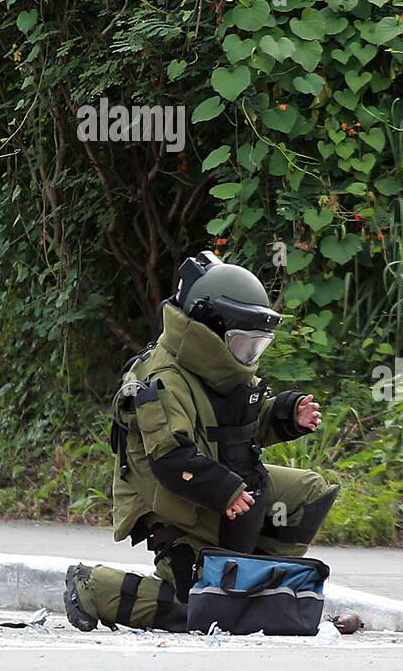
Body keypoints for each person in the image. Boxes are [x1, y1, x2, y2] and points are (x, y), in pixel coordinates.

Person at [64, 249, 339, 632]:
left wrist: (285, 416)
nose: (248, 355)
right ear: (209, 329)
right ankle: (92, 585)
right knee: (194, 610)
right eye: (244, 343)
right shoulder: (163, 379)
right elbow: (170, 459)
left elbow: (238, 431)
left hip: (226, 492)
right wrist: (225, 491)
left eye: (256, 346)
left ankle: (249, 586)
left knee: (310, 493)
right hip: (178, 505)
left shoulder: (217, 371)